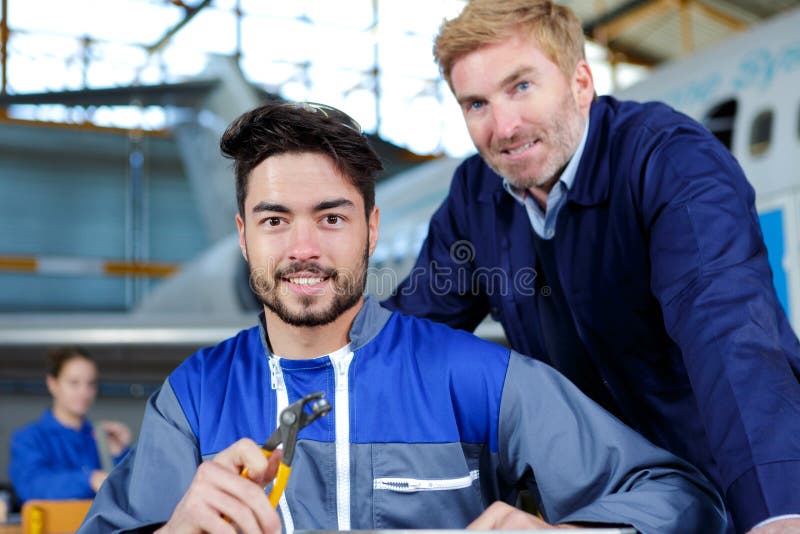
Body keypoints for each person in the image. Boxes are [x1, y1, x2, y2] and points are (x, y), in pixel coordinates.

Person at [79, 101, 723, 534]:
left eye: (332, 217)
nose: (304, 248)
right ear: (244, 236)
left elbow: (680, 497)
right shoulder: (192, 401)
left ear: (371, 229)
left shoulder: (475, 378)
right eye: (275, 220)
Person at [381, 1, 800, 533]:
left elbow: (727, 331)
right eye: (477, 104)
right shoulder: (476, 197)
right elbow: (410, 337)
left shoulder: (668, 161)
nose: (503, 127)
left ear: (581, 83)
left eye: (521, 86)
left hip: (722, 495)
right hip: (605, 506)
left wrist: (778, 510)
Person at [8, 347, 131, 503]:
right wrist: (89, 479)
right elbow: (31, 486)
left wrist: (120, 454)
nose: (84, 392)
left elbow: (130, 492)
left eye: (91, 383)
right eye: (74, 383)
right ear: (52, 384)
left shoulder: (100, 439)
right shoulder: (29, 439)